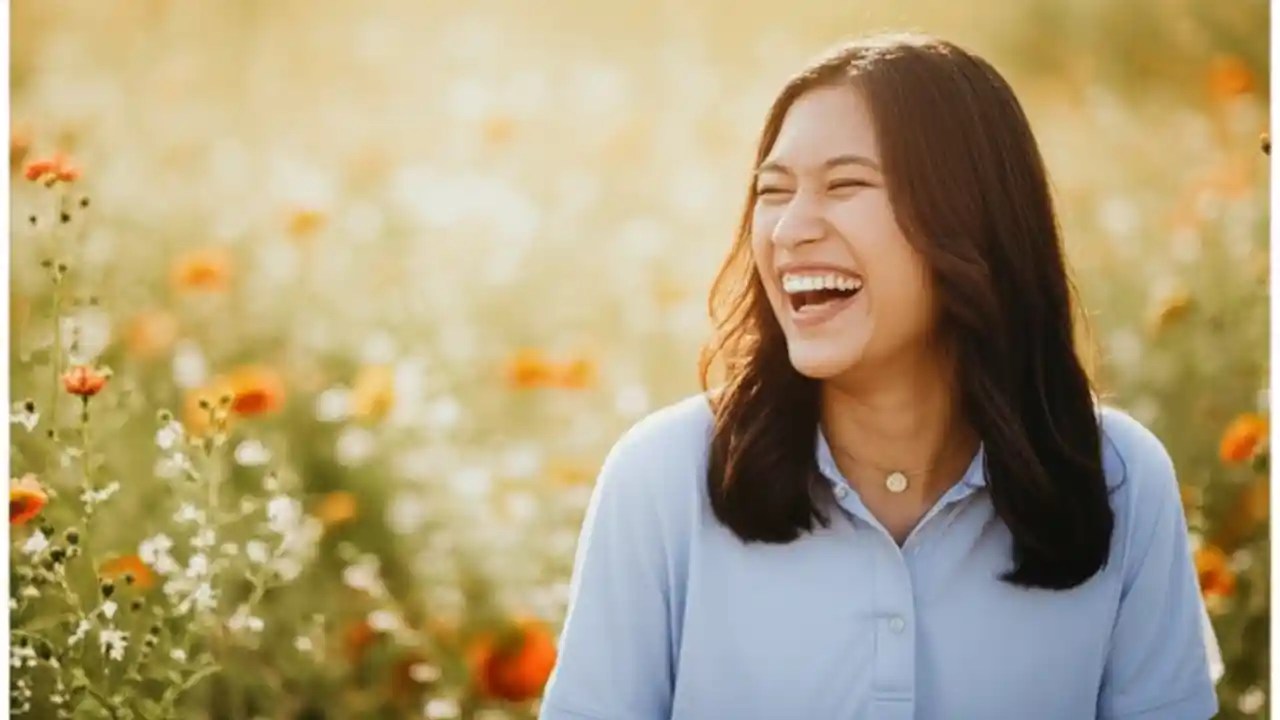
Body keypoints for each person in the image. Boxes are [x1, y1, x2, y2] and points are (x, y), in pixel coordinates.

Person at [539, 31, 1220, 720]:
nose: (789, 229)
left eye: (845, 185)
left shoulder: (1120, 479)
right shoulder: (663, 478)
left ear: (969, 216)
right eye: (772, 192)